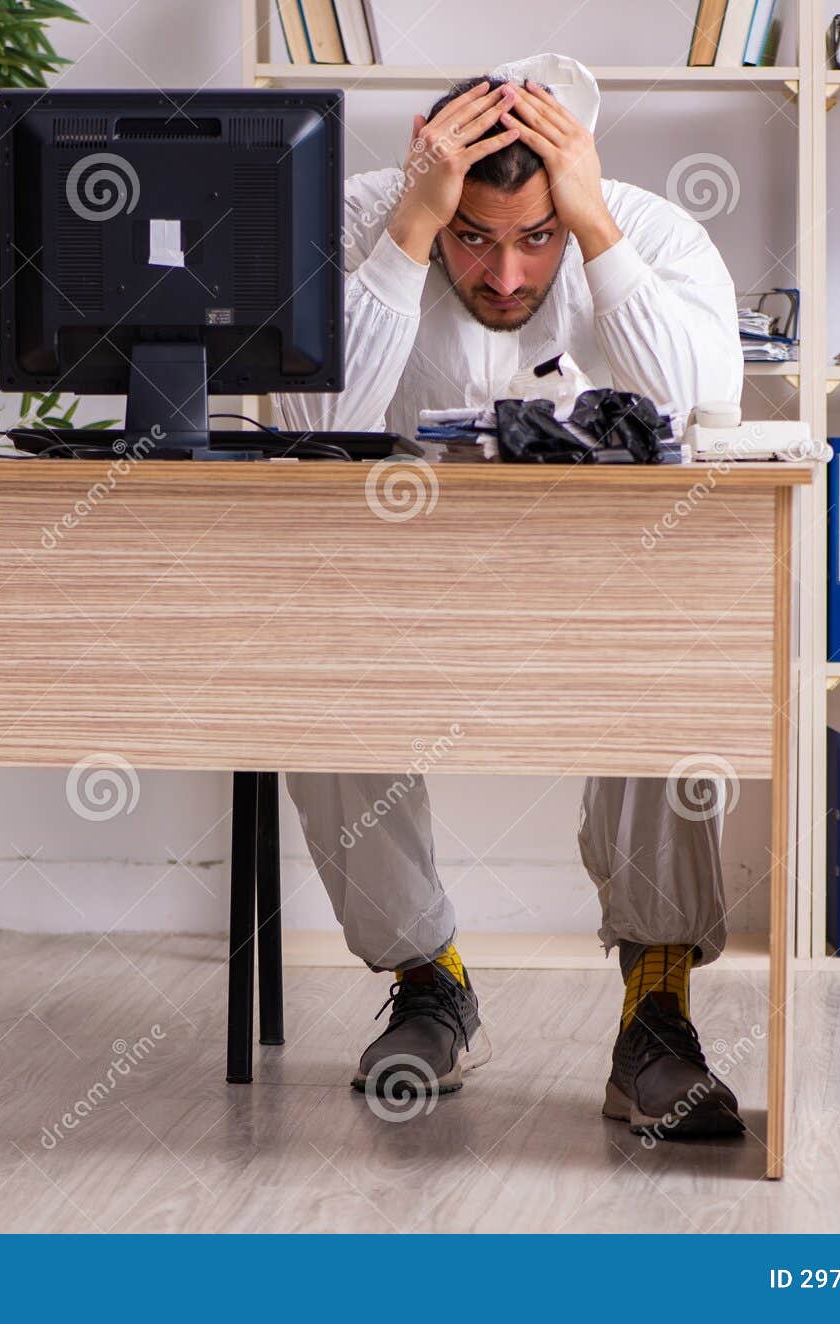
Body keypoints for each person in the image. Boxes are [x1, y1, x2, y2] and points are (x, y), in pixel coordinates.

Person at [272, 52, 746, 1139]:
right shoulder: (362, 222)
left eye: (531, 239)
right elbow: (303, 419)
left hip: (595, 587)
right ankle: (428, 978)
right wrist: (407, 230)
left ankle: (656, 1011)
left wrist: (589, 230)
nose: (502, 276)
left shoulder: (641, 227)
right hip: (393, 585)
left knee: (672, 656)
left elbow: (701, 396)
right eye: (471, 238)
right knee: (311, 657)